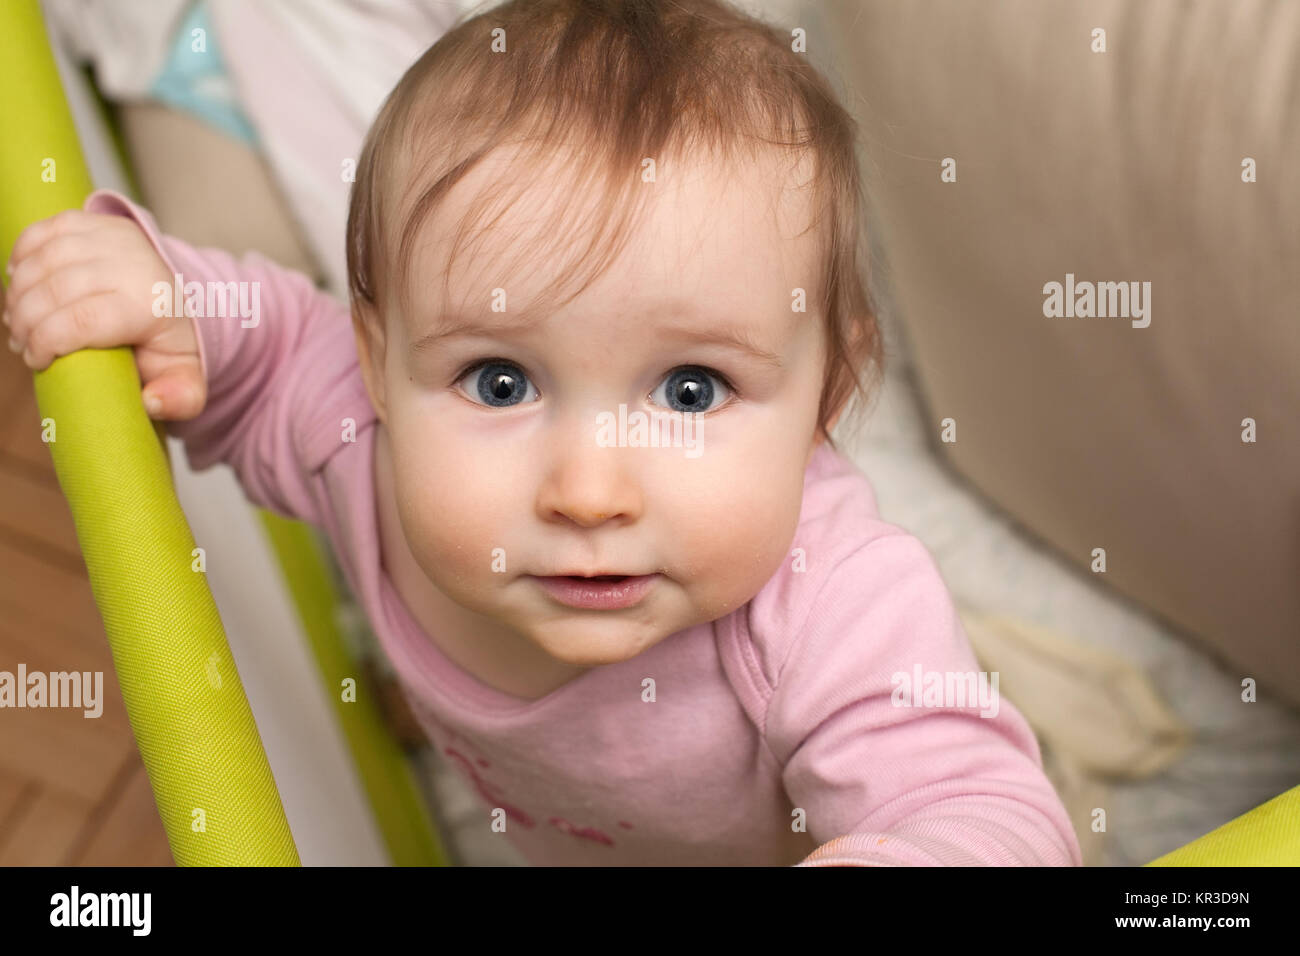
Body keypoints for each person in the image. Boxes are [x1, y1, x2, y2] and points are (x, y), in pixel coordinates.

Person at [3, 0, 1081, 866]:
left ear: (828, 393)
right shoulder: (361, 439)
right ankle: (454, 716)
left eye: (693, 389)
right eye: (502, 379)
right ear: (377, 363)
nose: (587, 488)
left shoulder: (834, 598)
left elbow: (979, 802)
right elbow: (273, 334)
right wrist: (163, 292)